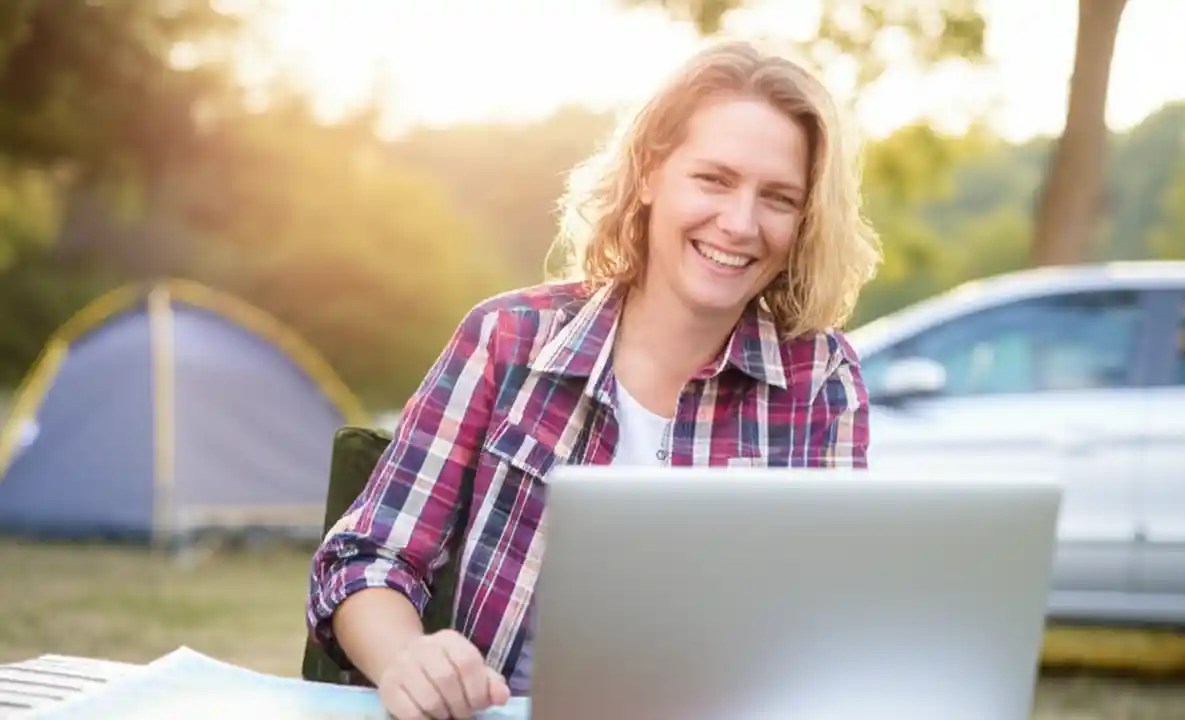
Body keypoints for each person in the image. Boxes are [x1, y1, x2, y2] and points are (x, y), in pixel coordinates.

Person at [306, 39, 881, 720]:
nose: (740, 222)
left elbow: (824, 628)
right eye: (714, 179)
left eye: (779, 198)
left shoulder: (821, 380)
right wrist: (407, 657)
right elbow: (363, 559)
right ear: (649, 176)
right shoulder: (508, 341)